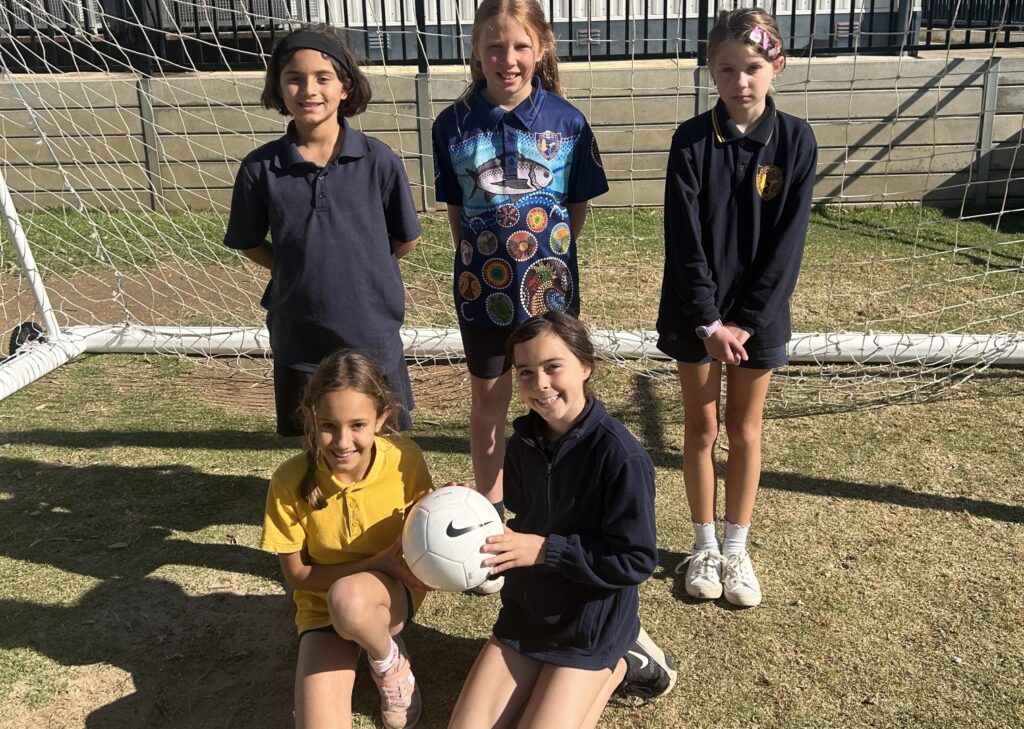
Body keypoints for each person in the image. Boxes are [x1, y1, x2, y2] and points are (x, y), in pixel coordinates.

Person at [430, 0, 609, 596]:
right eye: (495, 46)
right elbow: (456, 214)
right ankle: (488, 519)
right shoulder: (452, 124)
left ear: (541, 49)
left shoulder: (568, 122)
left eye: (520, 46)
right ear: (476, 50)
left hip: (548, 294)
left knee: (555, 401)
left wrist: (540, 261)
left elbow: (575, 210)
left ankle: (559, 510)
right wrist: (488, 258)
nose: (507, 58)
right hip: (482, 292)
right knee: (489, 402)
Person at [657, 8, 817, 607]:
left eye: (751, 67)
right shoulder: (691, 141)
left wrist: (745, 321)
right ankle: (703, 547)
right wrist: (708, 321)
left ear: (777, 66)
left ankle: (735, 547)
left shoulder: (796, 140)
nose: (740, 81)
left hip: (757, 320)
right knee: (701, 428)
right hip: (695, 315)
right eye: (726, 69)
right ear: (711, 70)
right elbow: (684, 241)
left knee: (745, 429)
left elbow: (787, 245)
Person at [448, 312, 668, 729]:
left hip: (589, 627)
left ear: (585, 366)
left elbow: (636, 560)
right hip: (527, 617)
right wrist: (463, 512)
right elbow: (518, 518)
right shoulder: (523, 443)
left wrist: (547, 550)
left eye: (553, 367)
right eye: (526, 372)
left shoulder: (621, 457)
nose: (540, 384)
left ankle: (623, 660)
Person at [224, 26, 421, 437]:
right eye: (295, 78)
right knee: (316, 441)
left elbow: (406, 238)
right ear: (278, 87)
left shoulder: (379, 161)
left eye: (323, 77)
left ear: (345, 87)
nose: (308, 89)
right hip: (300, 335)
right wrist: (297, 267)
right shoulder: (260, 168)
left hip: (370, 331)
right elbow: (248, 241)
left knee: (382, 443)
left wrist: (362, 266)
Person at [260, 350, 433, 729]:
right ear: (309, 417)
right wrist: (376, 561)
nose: (342, 441)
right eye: (328, 425)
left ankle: (388, 663)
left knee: (350, 600)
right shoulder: (288, 481)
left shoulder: (405, 459)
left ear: (381, 418)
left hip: (388, 595)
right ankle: (372, 642)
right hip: (322, 608)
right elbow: (298, 577)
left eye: (357, 425)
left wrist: (454, 505)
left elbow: (430, 524)